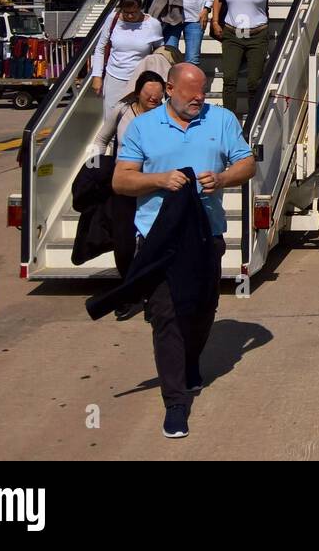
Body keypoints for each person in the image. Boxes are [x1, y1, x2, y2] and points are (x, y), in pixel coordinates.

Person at [112, 63, 256, 439]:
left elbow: (248, 163)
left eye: (203, 91)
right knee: (167, 316)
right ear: (169, 89)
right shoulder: (143, 127)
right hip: (159, 238)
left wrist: (222, 178)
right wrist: (158, 179)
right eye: (191, 92)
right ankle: (175, 402)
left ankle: (192, 360)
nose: (199, 98)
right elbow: (121, 180)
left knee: (202, 309)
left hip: (207, 234)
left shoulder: (220, 120)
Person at [92, 71, 166, 320]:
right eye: (148, 95)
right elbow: (101, 139)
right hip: (124, 185)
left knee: (153, 243)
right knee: (123, 245)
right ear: (137, 93)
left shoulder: (166, 116)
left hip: (155, 186)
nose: (153, 100)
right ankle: (129, 293)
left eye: (158, 96)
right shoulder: (122, 111)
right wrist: (95, 168)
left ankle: (150, 295)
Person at [211, 0, 290, 115]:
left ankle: (254, 117)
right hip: (233, 34)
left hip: (257, 35)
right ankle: (229, 118)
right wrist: (215, 21)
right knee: (230, 78)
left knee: (254, 81)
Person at [91, 0, 164, 119]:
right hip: (114, 77)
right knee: (112, 119)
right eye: (126, 12)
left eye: (134, 12)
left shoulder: (153, 24)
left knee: (139, 117)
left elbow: (160, 52)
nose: (130, 16)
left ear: (140, 9)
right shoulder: (112, 19)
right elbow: (100, 48)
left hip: (140, 80)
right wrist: (96, 76)